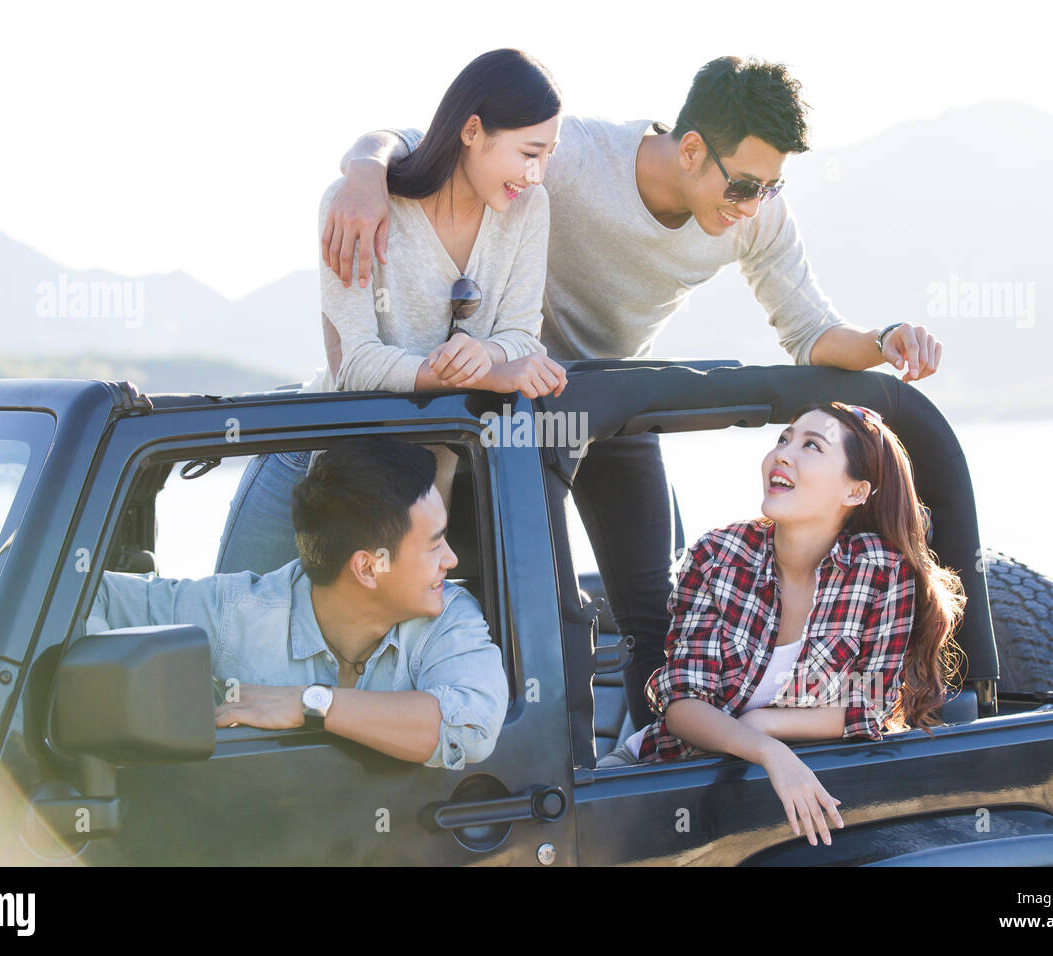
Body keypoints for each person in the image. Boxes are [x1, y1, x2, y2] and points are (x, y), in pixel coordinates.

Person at [322, 55, 947, 749]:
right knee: (533, 611)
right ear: (689, 149)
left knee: (655, 610)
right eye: (743, 185)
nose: (752, 206)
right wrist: (361, 174)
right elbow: (426, 143)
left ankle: (664, 770)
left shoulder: (757, 214)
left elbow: (811, 333)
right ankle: (555, 777)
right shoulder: (568, 158)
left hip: (613, 400)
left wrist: (883, 339)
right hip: (506, 405)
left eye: (771, 187)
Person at [215, 48, 568, 578]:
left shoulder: (527, 209)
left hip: (419, 489)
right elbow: (354, 366)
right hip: (313, 460)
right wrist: (477, 372)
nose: (537, 174)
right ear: (472, 130)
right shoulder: (354, 205)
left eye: (547, 155)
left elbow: (522, 337)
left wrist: (484, 354)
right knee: (235, 635)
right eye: (529, 152)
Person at [597, 402, 966, 850]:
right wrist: (768, 752)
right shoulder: (719, 554)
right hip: (664, 768)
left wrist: (766, 723)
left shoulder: (882, 571)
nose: (783, 454)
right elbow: (680, 705)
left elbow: (870, 706)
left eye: (812, 445)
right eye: (783, 439)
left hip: (770, 792)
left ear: (855, 491)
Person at [87, 438, 508, 770]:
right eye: (435, 546)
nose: (452, 561)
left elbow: (471, 728)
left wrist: (309, 702)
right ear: (368, 568)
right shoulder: (235, 612)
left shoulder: (447, 615)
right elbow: (86, 590)